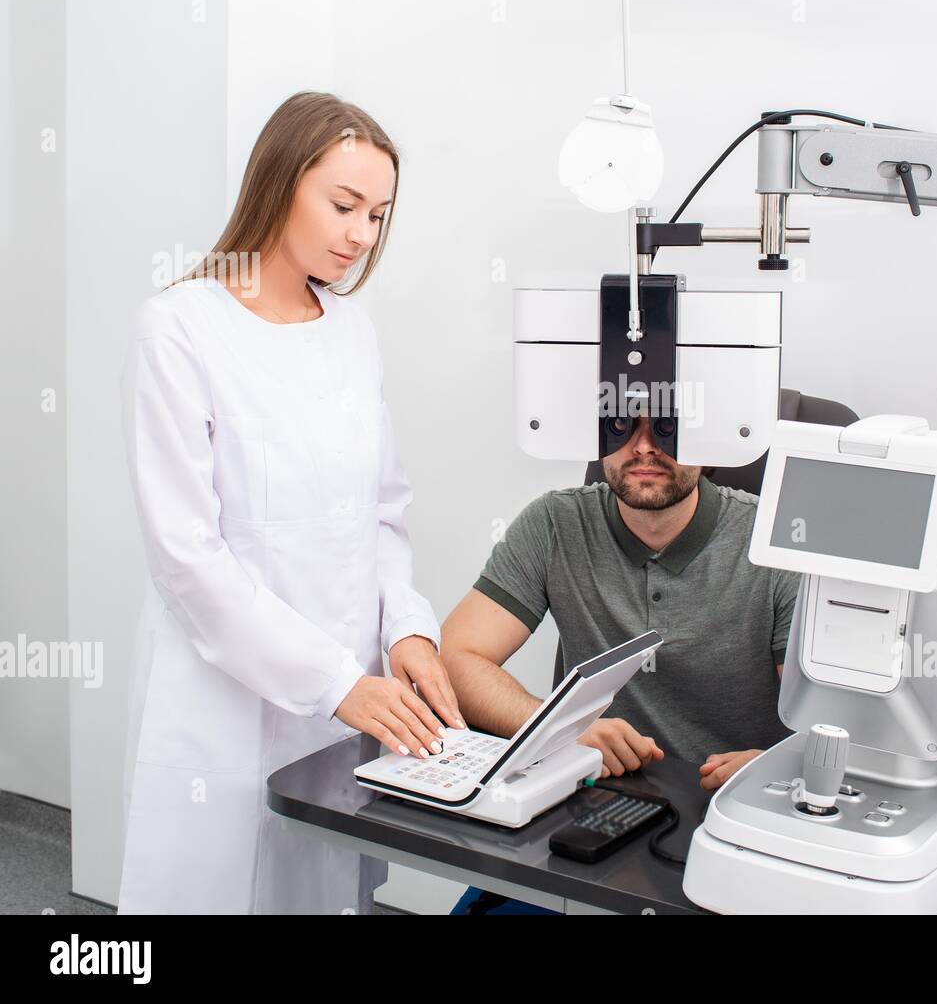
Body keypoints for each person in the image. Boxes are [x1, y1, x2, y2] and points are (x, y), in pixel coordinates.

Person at [118, 91, 462, 914]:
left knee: (316, 891)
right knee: (215, 890)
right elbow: (187, 558)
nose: (361, 236)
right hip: (223, 697)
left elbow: (382, 511)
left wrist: (406, 628)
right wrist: (334, 679)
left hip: (342, 699)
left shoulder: (350, 329)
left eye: (378, 215)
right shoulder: (178, 328)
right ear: (278, 184)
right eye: (343, 206)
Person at [439, 413, 798, 914]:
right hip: (587, 811)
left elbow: (839, 722)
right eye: (620, 425)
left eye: (668, 428)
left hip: (727, 826)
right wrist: (559, 728)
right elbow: (457, 658)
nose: (644, 447)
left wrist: (783, 768)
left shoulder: (775, 543)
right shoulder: (554, 523)